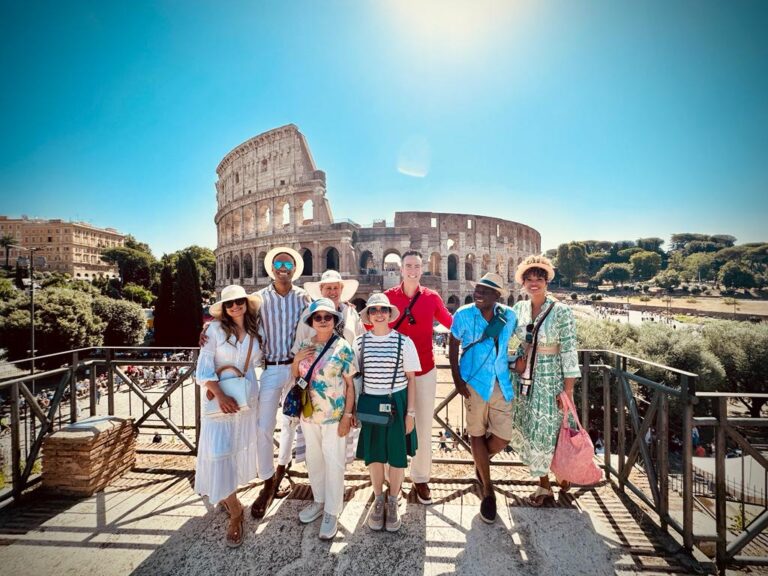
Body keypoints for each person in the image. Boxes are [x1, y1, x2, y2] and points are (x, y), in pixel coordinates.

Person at [275, 269, 364, 495]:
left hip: (345, 382)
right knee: (316, 447)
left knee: (341, 440)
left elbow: (360, 343)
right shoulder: (310, 313)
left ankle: (335, 490)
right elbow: (299, 348)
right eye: (328, 288)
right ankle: (323, 493)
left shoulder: (351, 313)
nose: (332, 291)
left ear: (341, 290)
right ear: (321, 291)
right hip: (315, 392)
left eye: (336, 287)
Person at [508, 255, 580, 507]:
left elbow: (570, 351)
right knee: (532, 430)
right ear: (523, 283)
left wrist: (568, 391)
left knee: (553, 430)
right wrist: (512, 361)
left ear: (547, 281)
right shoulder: (519, 309)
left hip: (551, 378)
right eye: (529, 279)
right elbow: (511, 340)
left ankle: (563, 475)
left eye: (539, 279)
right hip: (526, 378)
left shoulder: (561, 311)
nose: (534, 283)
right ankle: (543, 485)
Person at [195, 284, 263, 547]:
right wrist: (221, 395)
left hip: (245, 399)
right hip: (220, 400)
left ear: (246, 304)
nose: (235, 306)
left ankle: (228, 495)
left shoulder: (256, 333)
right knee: (219, 454)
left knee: (233, 452)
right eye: (229, 303)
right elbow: (203, 368)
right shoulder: (212, 330)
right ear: (223, 308)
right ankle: (236, 513)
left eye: (239, 302)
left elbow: (260, 361)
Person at [384, 250, 452, 505]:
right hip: (394, 371)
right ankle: (394, 479)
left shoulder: (431, 297)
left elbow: (450, 322)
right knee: (392, 425)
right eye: (408, 265)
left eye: (416, 266)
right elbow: (371, 325)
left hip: (424, 370)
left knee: (422, 424)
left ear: (421, 269)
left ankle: (421, 478)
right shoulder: (389, 298)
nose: (412, 270)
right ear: (401, 269)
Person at [449, 272, 517, 523]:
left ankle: (480, 463)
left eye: (485, 291)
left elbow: (514, 342)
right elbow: (453, 345)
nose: (478, 293)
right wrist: (457, 380)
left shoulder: (509, 316)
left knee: (502, 437)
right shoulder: (463, 314)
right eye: (477, 289)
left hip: (500, 382)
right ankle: (488, 491)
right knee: (476, 433)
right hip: (474, 383)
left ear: (497, 296)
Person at [251, 247, 312, 519]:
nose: (283, 267)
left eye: (288, 263)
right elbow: (239, 323)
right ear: (271, 268)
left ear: (294, 268)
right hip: (272, 368)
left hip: (296, 368)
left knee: (290, 424)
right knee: (264, 426)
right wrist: (209, 330)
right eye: (279, 263)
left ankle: (280, 470)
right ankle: (266, 481)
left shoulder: (303, 298)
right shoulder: (259, 299)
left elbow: (316, 326)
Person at [291, 298, 357, 540]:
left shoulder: (343, 347)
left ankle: (332, 510)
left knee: (334, 462)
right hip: (309, 415)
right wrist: (297, 360)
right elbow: (295, 377)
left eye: (327, 317)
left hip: (334, 415)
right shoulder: (306, 344)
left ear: (334, 320)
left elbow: (351, 385)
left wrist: (347, 416)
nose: (322, 321)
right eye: (317, 317)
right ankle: (319, 501)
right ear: (311, 321)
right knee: (314, 460)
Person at [355, 293, 419, 532]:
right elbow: (356, 378)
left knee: (396, 454)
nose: (378, 313)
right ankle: (378, 499)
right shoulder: (360, 343)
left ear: (390, 314)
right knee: (375, 455)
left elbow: (412, 379)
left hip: (397, 402)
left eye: (383, 309)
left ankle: (393, 500)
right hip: (371, 402)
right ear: (368, 315)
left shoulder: (404, 341)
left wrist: (410, 413)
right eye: (373, 310)